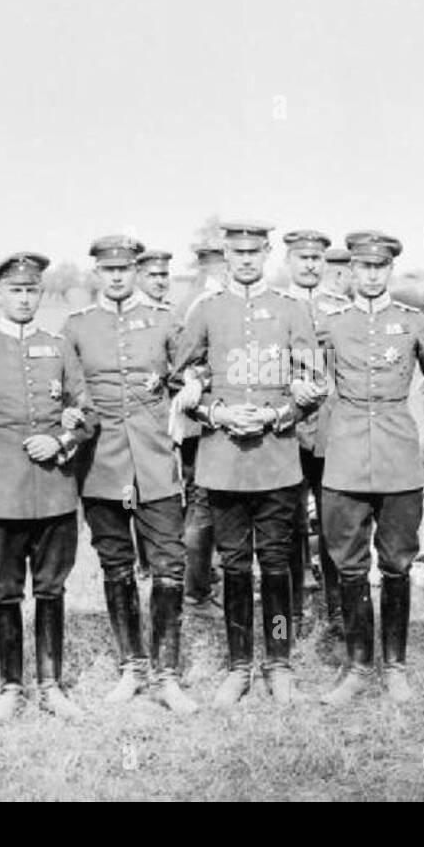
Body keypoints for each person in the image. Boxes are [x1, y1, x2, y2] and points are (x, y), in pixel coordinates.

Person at [172, 220, 322, 706]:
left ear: (266, 255)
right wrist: (214, 410)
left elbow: (314, 382)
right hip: (223, 460)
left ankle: (278, 661)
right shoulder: (208, 311)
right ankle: (239, 665)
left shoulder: (290, 310)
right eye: (236, 254)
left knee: (277, 566)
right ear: (226, 257)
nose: (245, 261)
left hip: (276, 459)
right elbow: (177, 378)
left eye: (254, 253)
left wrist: (280, 412)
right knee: (235, 566)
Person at [0, 252, 97, 724]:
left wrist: (59, 439)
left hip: (54, 492)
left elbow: (88, 414)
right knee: (5, 591)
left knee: (52, 589)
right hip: (1, 498)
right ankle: (11, 688)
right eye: (15, 290)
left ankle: (51, 685)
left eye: (31, 290)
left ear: (41, 294)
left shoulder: (58, 348)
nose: (24, 297)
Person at [62, 235, 197, 714]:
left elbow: (189, 377)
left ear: (136, 271)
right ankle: (131, 666)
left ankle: (167, 675)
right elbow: (70, 394)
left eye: (124, 269)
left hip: (157, 463)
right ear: (95, 273)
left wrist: (191, 389)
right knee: (116, 566)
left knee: (168, 566)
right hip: (102, 466)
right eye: (107, 270)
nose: (116, 277)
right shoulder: (77, 327)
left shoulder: (164, 320)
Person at [315, 231, 424, 705]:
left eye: (379, 267)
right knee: (348, 565)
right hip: (344, 457)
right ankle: (356, 665)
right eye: (362, 267)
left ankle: (396, 666)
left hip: (397, 457)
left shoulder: (412, 322)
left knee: (397, 564)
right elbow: (302, 372)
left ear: (391, 270)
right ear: (350, 271)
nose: (370, 275)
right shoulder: (331, 324)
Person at [281, 229, 351, 638]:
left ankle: (337, 608)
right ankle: (288, 614)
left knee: (334, 523)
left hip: (330, 430)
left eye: (316, 259)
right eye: (301, 258)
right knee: (287, 525)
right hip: (286, 433)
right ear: (287, 261)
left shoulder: (339, 309)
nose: (309, 265)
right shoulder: (273, 307)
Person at [173, 241, 228, 616]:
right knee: (203, 506)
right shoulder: (206, 303)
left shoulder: (189, 298)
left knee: (199, 504)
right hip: (202, 419)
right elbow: (191, 364)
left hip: (195, 418)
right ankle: (196, 592)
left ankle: (203, 581)